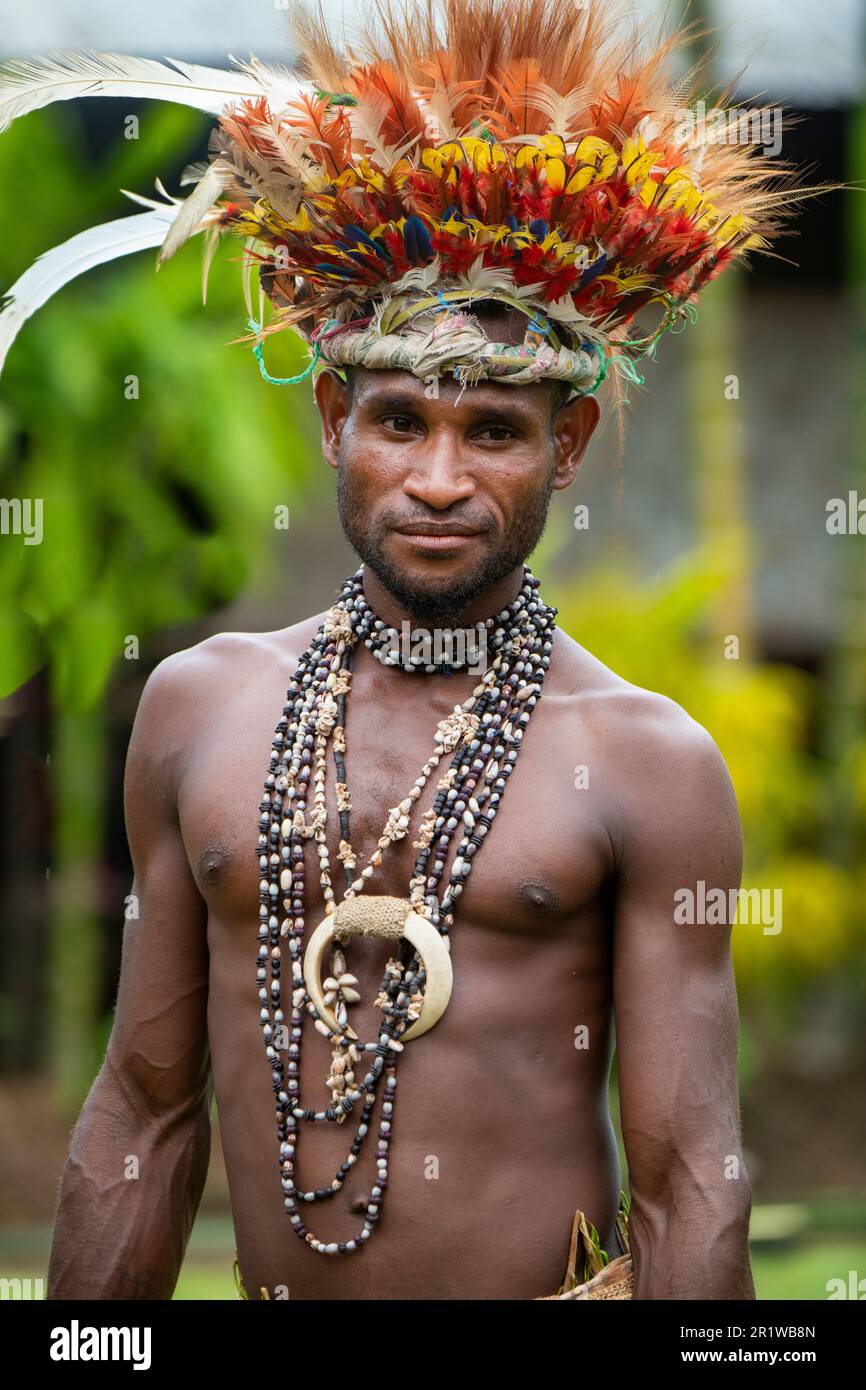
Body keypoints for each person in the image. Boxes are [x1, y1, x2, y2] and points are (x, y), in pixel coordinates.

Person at [2, 0, 824, 1300]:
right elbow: (143, 1118)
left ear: (562, 445)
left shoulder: (647, 764)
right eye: (399, 419)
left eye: (492, 431)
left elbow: (689, 1174)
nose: (437, 477)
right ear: (334, 420)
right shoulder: (198, 710)